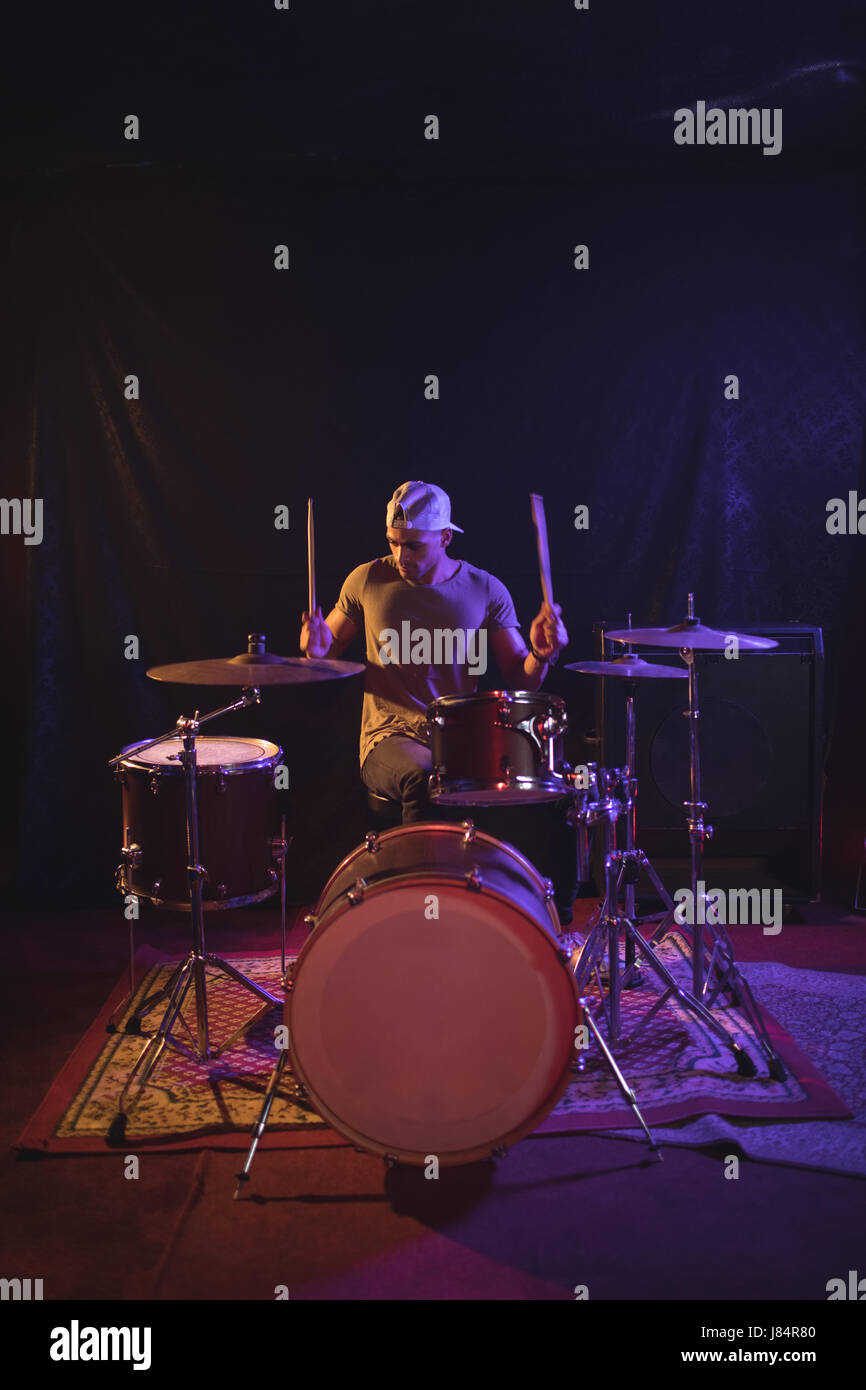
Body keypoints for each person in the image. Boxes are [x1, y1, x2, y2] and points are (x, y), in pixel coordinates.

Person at [299, 480, 574, 917]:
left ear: (445, 537)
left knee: (559, 785)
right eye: (393, 543)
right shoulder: (367, 579)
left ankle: (547, 923)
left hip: (463, 742)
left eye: (413, 546)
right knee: (426, 777)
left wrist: (542, 652)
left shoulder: (485, 588)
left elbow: (524, 676)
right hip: (389, 738)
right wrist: (315, 648)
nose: (401, 556)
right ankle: (425, 912)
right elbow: (324, 651)